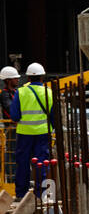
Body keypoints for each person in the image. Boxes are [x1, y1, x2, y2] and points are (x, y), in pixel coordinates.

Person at [8, 63, 51, 198]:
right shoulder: (48, 92)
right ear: (42, 77)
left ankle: (21, 194)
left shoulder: (20, 92)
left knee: (23, 164)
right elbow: (53, 115)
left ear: (28, 78)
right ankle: (41, 195)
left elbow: (14, 116)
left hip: (24, 134)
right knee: (41, 164)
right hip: (43, 133)